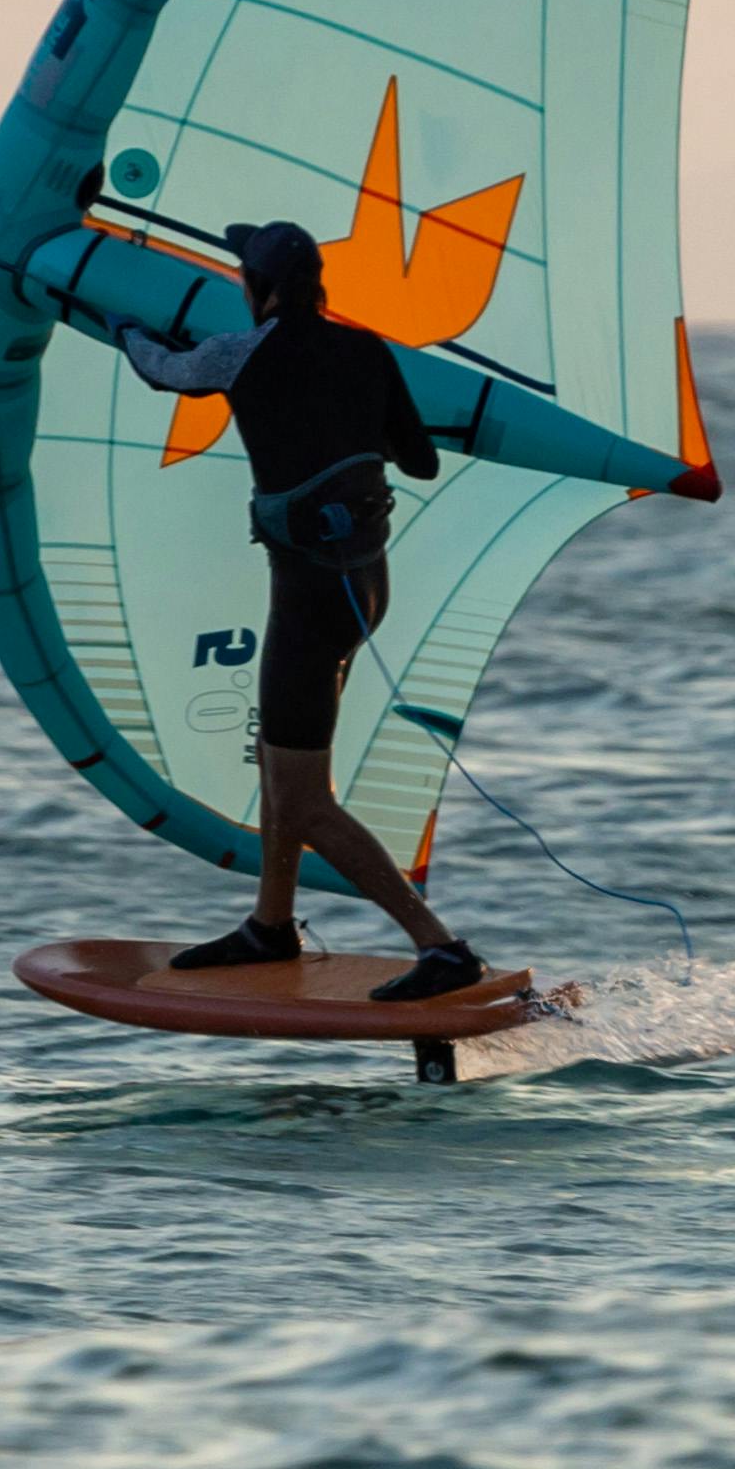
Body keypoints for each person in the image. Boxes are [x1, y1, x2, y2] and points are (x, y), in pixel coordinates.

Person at [110, 220, 488, 1000]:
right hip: (363, 589)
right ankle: (269, 925)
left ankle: (440, 947)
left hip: (312, 601)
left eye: (245, 277)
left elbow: (163, 371)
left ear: (265, 287)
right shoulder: (366, 350)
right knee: (284, 769)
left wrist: (121, 324)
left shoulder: (240, 353)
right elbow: (419, 460)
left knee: (305, 800)